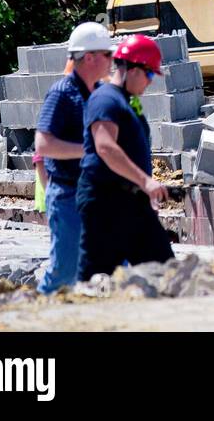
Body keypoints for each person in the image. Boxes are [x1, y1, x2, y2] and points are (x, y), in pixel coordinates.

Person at [76, 34, 173, 281]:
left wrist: (143, 190)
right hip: (106, 204)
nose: (150, 82)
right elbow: (105, 147)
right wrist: (146, 182)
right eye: (149, 74)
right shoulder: (105, 99)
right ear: (132, 69)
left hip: (133, 204)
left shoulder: (126, 101)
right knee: (96, 280)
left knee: (166, 273)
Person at [33, 21, 113, 294]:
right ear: (89, 57)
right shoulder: (62, 93)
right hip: (68, 198)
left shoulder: (101, 93)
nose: (112, 60)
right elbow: (43, 144)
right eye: (107, 55)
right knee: (64, 270)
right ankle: (36, 317)